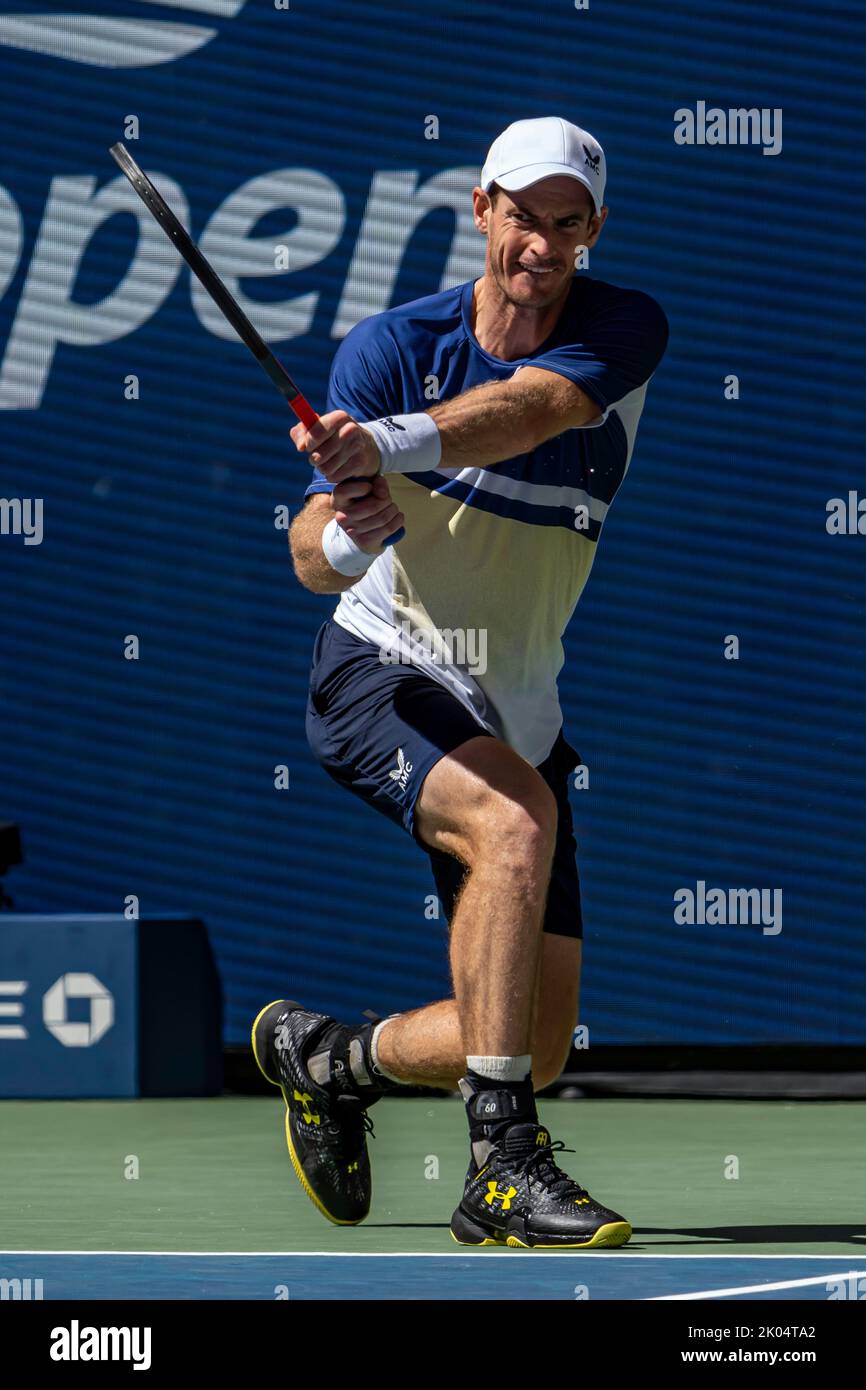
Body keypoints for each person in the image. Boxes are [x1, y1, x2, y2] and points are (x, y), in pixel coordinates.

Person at [252, 116, 668, 1248]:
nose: (540, 244)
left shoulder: (621, 327)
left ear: (592, 232)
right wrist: (352, 529)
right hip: (382, 671)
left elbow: (530, 408)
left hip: (518, 707)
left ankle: (329, 1058)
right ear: (479, 209)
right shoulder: (389, 344)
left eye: (565, 224)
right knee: (514, 824)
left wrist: (384, 447)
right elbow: (307, 554)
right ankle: (499, 1171)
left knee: (530, 1042)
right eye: (521, 217)